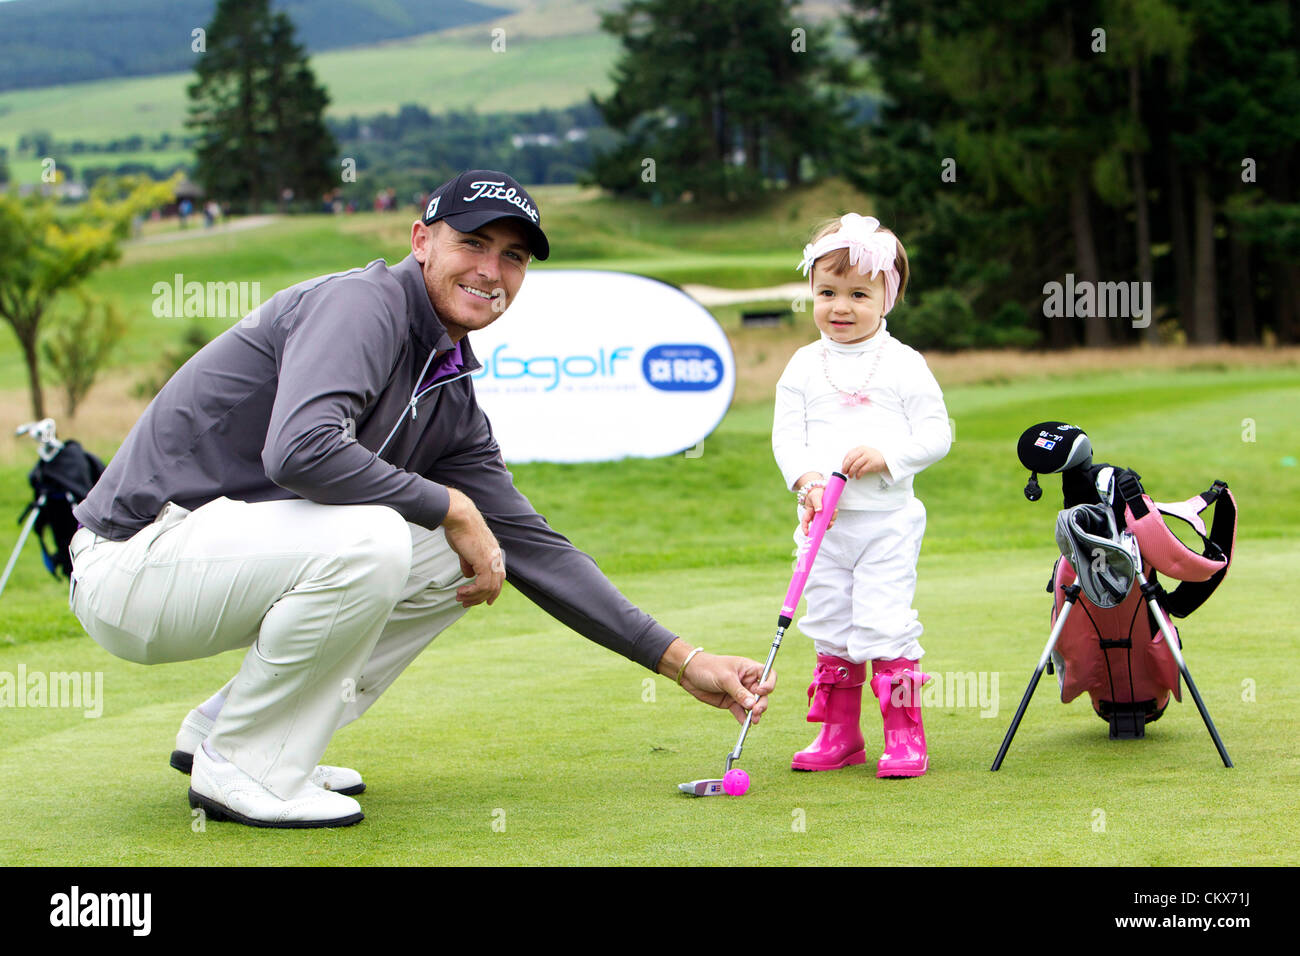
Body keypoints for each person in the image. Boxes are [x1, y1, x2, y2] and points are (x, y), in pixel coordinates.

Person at [69, 169, 775, 829]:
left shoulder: (448, 388)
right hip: (134, 563)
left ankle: (238, 732)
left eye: (514, 258)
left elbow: (532, 547)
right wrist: (451, 505)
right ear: (420, 240)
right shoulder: (362, 304)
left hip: (204, 563)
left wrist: (682, 659)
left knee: (459, 554)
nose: (491, 271)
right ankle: (245, 767)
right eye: (473, 243)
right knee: (386, 533)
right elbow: (299, 450)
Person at [771, 213, 951, 778]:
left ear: (886, 299)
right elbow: (787, 435)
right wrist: (805, 478)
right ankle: (839, 734)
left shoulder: (903, 364)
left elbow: (936, 434)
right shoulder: (803, 364)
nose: (840, 307)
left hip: (885, 523)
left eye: (857, 294)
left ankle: (904, 737)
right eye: (827, 293)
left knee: (882, 622)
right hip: (822, 526)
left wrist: (888, 459)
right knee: (829, 623)